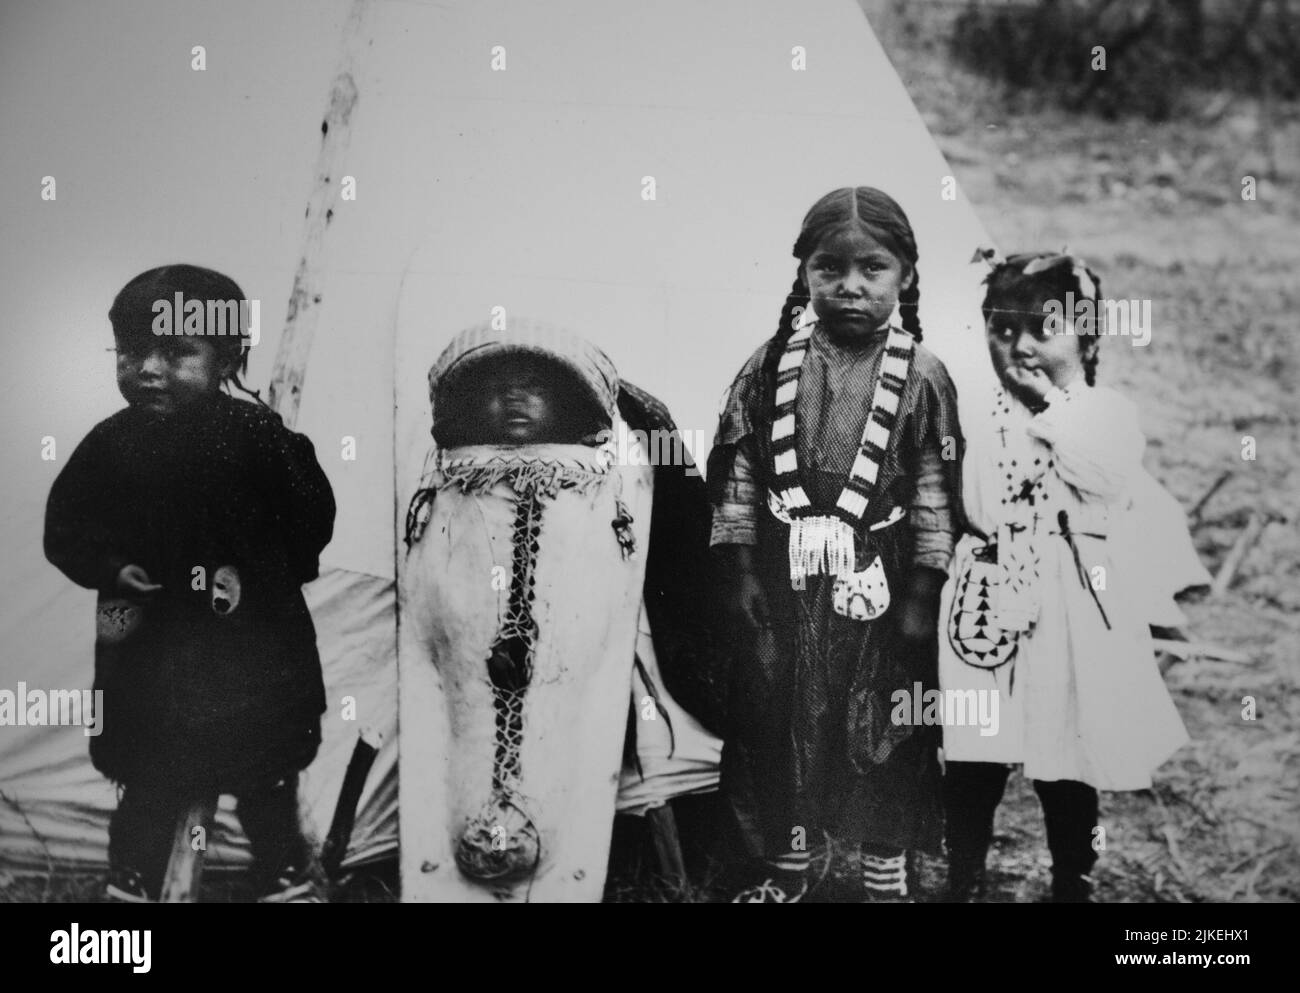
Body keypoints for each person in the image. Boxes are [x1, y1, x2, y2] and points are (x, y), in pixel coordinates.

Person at [44, 264, 336, 903]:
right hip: (148, 653)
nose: (147, 368)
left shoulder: (260, 438)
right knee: (147, 782)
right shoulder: (112, 444)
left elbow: (310, 519)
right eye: (131, 351)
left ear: (227, 354)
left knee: (264, 777)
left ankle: (283, 874)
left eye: (176, 352)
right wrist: (113, 568)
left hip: (250, 652)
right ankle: (134, 883)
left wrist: (254, 573)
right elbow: (66, 526)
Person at [708, 187, 961, 902]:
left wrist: (922, 593)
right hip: (786, 582)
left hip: (881, 587)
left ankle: (885, 879)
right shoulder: (771, 364)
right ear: (806, 274)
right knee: (781, 725)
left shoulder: (922, 374)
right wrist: (739, 570)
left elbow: (936, 487)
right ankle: (787, 875)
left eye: (872, 269)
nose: (850, 285)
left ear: (905, 275)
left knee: (884, 731)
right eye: (830, 268)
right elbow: (739, 467)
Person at [938, 250, 1200, 903]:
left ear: (1085, 333)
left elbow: (1103, 474)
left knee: (1065, 756)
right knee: (975, 752)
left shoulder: (1102, 412)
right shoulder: (978, 412)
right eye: (1001, 329)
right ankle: (963, 872)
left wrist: (1048, 403)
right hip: (988, 598)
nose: (1019, 347)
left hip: (1067, 605)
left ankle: (1070, 879)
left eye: (1041, 329)